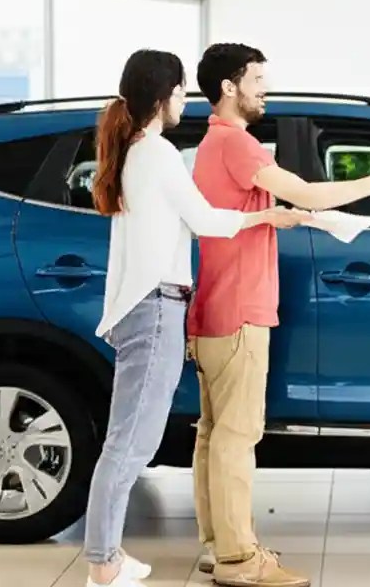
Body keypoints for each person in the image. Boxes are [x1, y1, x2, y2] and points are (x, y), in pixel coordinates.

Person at [81, 49, 309, 587]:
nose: (187, 101)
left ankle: (107, 557)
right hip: (157, 308)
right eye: (181, 92)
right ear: (161, 97)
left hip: (153, 307)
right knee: (130, 444)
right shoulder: (156, 152)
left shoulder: (136, 151)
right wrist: (269, 215)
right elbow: (205, 220)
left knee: (134, 440)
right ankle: (102, 563)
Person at [187, 43, 370, 587]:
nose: (265, 88)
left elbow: (235, 214)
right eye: (257, 79)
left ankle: (218, 546)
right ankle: (240, 561)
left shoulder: (212, 145)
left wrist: (271, 217)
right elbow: (309, 190)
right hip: (240, 309)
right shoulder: (238, 143)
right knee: (237, 436)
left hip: (213, 307)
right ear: (230, 87)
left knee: (213, 435)